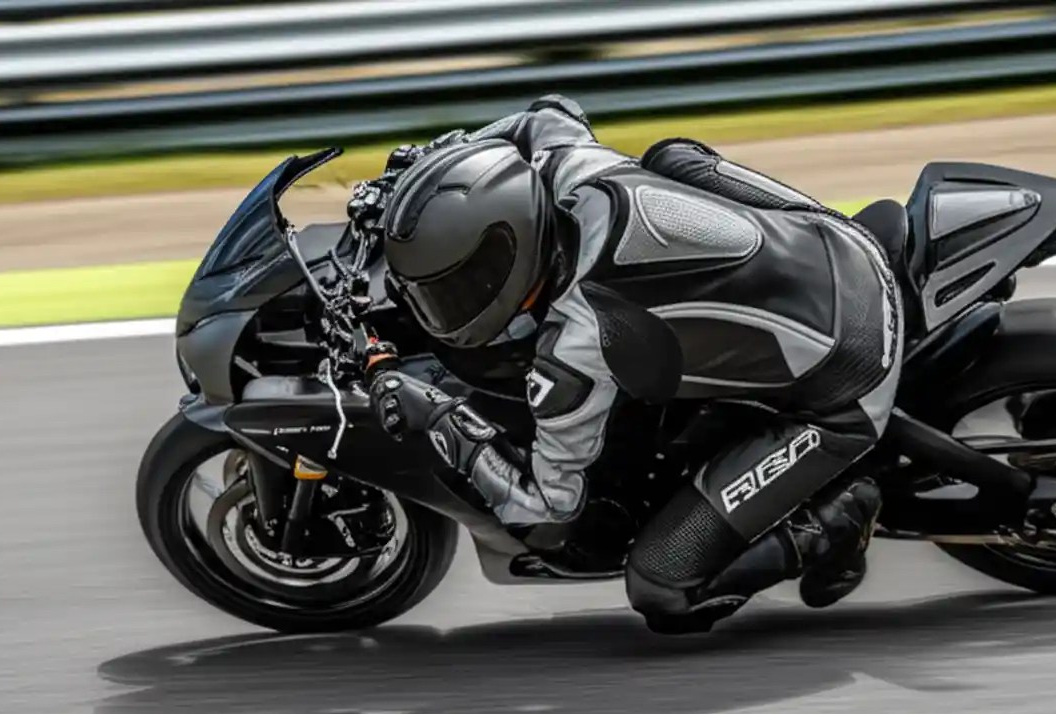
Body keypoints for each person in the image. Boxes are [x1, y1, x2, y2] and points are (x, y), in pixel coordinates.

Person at [353, 95, 902, 633]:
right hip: (838, 236)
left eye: (453, 288)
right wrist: (446, 156)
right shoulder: (568, 165)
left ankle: (836, 523)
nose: (438, 308)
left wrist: (443, 419)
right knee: (671, 157)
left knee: (664, 587)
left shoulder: (579, 341)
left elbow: (547, 513)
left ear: (507, 257)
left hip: (850, 371)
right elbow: (549, 112)